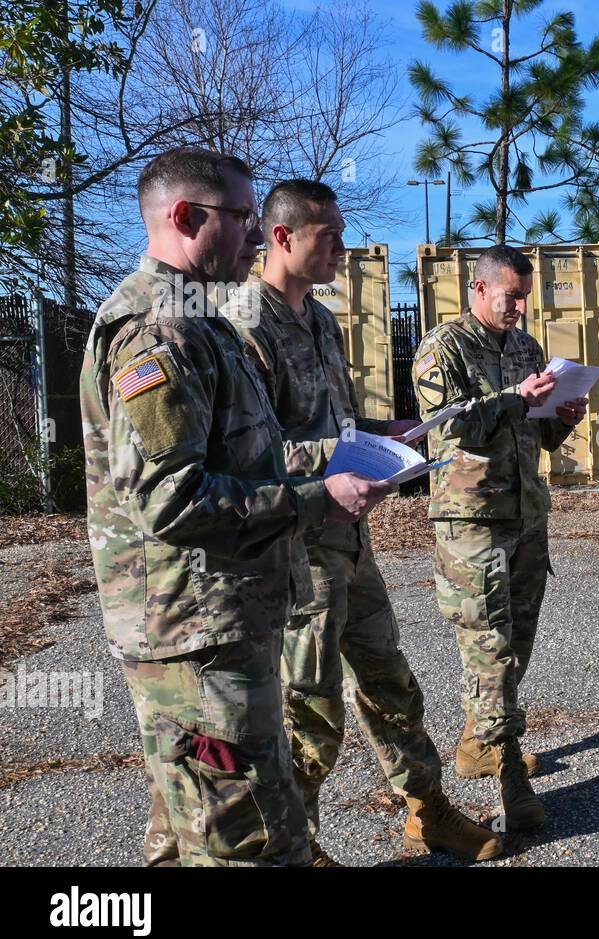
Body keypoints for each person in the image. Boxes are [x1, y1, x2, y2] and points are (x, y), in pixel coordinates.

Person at [81, 148, 390, 866]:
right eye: (245, 218)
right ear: (186, 217)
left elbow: (250, 453)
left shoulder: (200, 319)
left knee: (190, 828)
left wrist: (351, 457)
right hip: (197, 634)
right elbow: (171, 500)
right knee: (249, 840)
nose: (257, 236)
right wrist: (319, 499)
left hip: (220, 621)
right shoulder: (159, 330)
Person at [226, 179, 501, 863]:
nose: (344, 250)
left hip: (352, 538)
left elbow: (335, 424)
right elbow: (249, 452)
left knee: (391, 684)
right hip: (295, 552)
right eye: (331, 237)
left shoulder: (320, 319)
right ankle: (298, 844)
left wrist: (391, 432)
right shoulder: (243, 325)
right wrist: (339, 460)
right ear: (283, 238)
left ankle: (427, 809)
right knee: (310, 717)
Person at [411, 243, 585, 831]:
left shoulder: (527, 347)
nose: (519, 308)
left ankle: (477, 743)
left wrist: (559, 418)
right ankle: (510, 773)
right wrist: (515, 399)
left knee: (520, 641)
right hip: (472, 522)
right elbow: (448, 427)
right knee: (490, 647)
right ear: (478, 289)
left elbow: (533, 436)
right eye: (511, 297)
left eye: (525, 298)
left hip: (527, 514)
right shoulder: (444, 347)